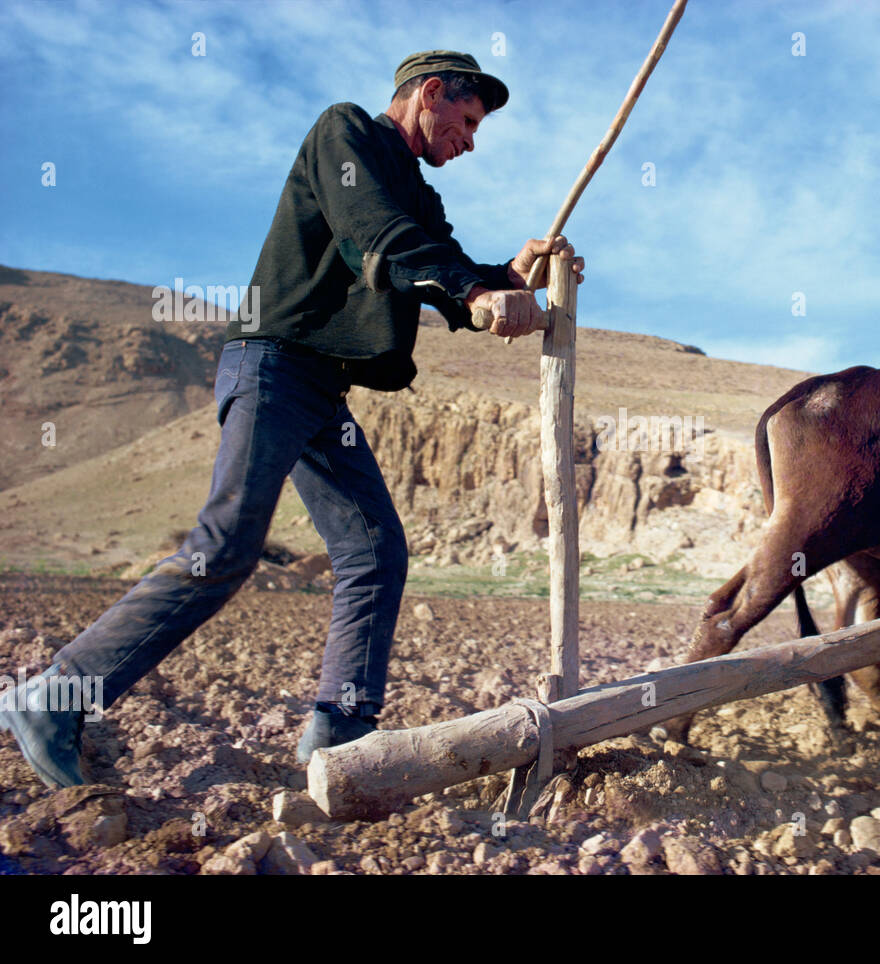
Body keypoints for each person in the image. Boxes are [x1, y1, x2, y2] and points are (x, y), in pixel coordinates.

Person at [0, 50, 585, 789]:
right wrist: (475, 290)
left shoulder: (415, 190)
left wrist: (509, 274)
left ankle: (339, 737)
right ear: (430, 95)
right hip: (273, 366)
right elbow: (378, 236)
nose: (470, 141)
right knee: (224, 549)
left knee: (375, 551)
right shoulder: (345, 135)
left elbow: (438, 268)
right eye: (467, 122)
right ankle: (52, 700)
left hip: (322, 388)